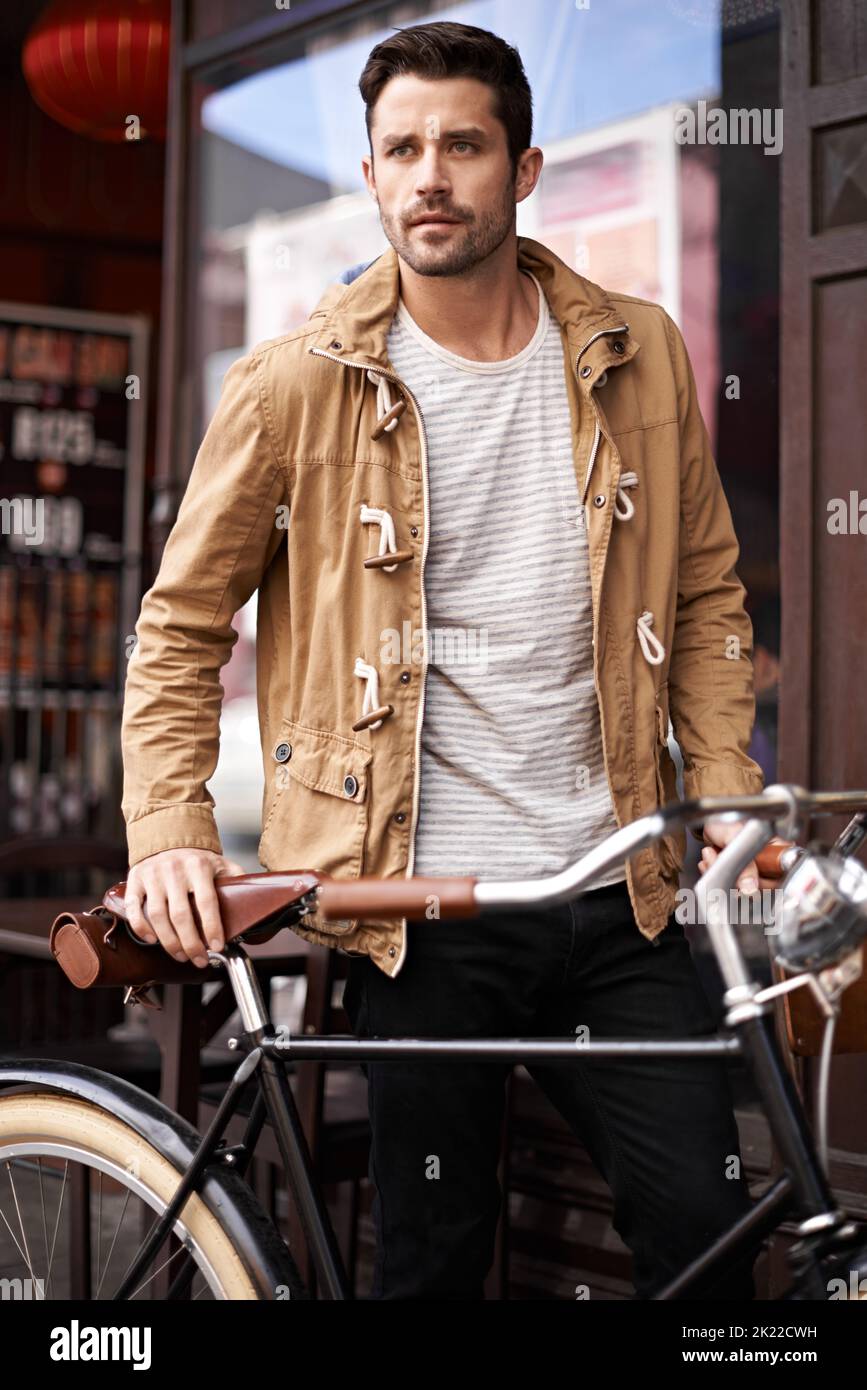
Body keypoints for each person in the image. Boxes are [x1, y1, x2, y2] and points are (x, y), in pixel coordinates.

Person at [120, 20, 774, 1299]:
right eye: (401, 148)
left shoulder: (638, 352)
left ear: (523, 169)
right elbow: (180, 628)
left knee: (709, 1234)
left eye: (461, 145)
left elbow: (704, 592)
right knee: (432, 1258)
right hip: (410, 909)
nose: (429, 174)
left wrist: (727, 781)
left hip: (612, 888)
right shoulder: (293, 386)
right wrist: (168, 832)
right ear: (370, 176)